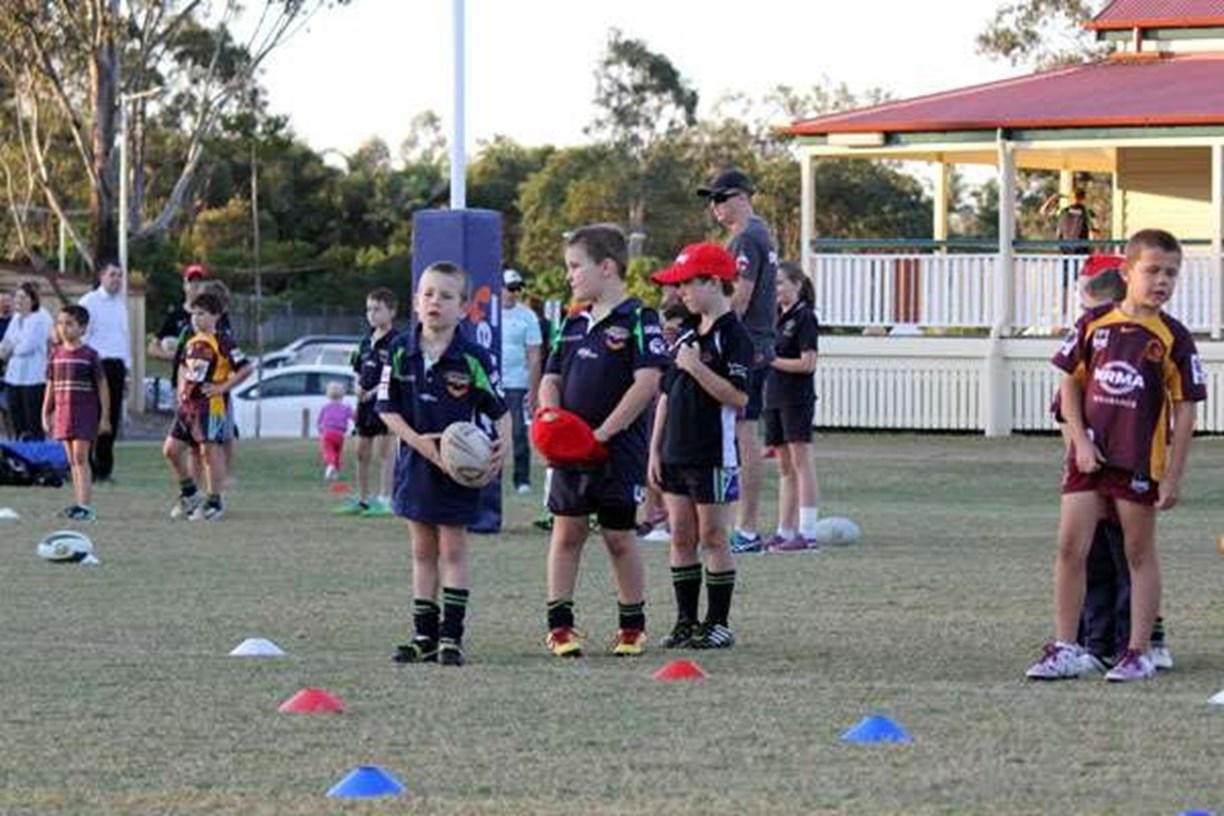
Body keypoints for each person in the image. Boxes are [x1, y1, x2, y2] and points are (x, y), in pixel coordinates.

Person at [1026, 229, 1207, 683]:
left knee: (1137, 553)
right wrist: (1081, 443)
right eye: (1152, 270)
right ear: (1127, 272)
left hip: (1138, 463)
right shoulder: (1093, 324)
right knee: (1071, 548)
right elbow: (1067, 381)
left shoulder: (1174, 338)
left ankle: (1139, 651)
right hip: (1088, 461)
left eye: (1171, 273)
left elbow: (1186, 411)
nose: (1161, 280)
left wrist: (1173, 476)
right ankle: (1067, 645)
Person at [539, 224, 668, 658]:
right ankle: (560, 627)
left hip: (618, 449)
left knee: (619, 536)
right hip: (570, 449)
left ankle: (632, 627)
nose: (571, 275)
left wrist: (604, 433)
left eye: (577, 266)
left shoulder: (639, 319)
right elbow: (551, 377)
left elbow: (647, 383)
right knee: (567, 530)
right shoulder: (571, 322)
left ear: (607, 267)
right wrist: (550, 416)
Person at [377, 261, 510, 667]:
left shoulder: (474, 358)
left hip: (459, 471)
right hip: (416, 467)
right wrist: (421, 444)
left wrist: (502, 445)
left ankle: (451, 637)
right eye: (428, 293)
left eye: (446, 296)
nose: (436, 302)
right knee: (422, 551)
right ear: (417, 302)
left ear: (464, 307)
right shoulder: (400, 350)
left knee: (452, 550)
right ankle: (424, 636)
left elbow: (500, 410)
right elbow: (386, 409)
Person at [1051, 257, 1173, 672]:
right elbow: (1068, 411)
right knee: (1093, 559)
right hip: (1089, 473)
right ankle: (1095, 643)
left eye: (1095, 308)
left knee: (1131, 558)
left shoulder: (1155, 340)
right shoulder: (1087, 348)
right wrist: (1081, 452)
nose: (1090, 317)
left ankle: (1145, 642)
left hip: (1132, 470)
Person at [648, 243, 753, 649]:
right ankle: (685, 621)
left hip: (712, 452)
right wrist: (654, 449)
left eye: (687, 284)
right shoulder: (687, 332)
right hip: (675, 451)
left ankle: (718, 622)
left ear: (713, 282)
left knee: (712, 535)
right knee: (680, 535)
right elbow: (666, 395)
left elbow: (739, 397)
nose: (681, 293)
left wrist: (697, 367)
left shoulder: (734, 336)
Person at [697, 169, 779, 554]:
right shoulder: (759, 232)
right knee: (738, 433)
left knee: (744, 435)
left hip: (748, 345)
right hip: (757, 343)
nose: (715, 206)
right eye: (711, 200)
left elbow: (740, 298)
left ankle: (746, 528)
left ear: (742, 195)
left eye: (720, 197)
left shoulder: (747, 236)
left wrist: (716, 337)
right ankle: (738, 525)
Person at [163, 291, 252, 521]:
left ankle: (214, 502)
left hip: (210, 406)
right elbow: (183, 366)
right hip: (187, 406)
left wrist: (223, 387)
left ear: (216, 316)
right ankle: (190, 494)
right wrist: (182, 389)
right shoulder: (192, 341)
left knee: (209, 453)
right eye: (193, 314)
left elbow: (245, 368)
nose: (196, 318)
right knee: (171, 450)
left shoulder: (223, 340)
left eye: (201, 314)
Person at [762, 262, 822, 552]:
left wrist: (771, 360)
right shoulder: (774, 317)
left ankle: (807, 532)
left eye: (782, 283)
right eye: (774, 284)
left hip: (795, 398)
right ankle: (784, 530)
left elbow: (807, 363)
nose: (777, 289)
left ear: (797, 284)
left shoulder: (805, 318)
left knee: (801, 464)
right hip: (772, 397)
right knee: (784, 468)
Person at [41, 305, 111, 520]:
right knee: (72, 460)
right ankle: (78, 503)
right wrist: (46, 412)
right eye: (60, 323)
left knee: (81, 458)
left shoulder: (90, 355)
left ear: (82, 328)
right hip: (63, 413)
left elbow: (102, 386)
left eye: (69, 324)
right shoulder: (56, 355)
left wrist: (105, 417)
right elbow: (50, 385)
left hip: (84, 413)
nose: (63, 328)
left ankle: (86, 506)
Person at [334, 288, 399, 517]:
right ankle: (363, 499)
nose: (372, 314)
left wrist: (373, 392)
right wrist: (358, 386)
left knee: (386, 451)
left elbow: (396, 377)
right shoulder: (365, 342)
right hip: (364, 406)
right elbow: (356, 369)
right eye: (369, 309)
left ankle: (386, 499)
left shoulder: (397, 342)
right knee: (361, 452)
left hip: (386, 404)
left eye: (377, 309)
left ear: (391, 312)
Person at [79, 261, 130, 482]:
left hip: (116, 367)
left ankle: (104, 468)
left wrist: (127, 371)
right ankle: (87, 465)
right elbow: (82, 335)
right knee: (92, 416)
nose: (116, 279)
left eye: (119, 275)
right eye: (112, 275)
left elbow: (124, 338)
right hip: (96, 364)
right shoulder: (89, 302)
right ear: (101, 276)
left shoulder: (121, 304)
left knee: (111, 417)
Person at [500, 269, 542, 493]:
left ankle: (522, 479)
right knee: (489, 434)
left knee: (518, 433)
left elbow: (535, 356)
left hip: (517, 384)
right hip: (493, 383)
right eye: (510, 287)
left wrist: (533, 392)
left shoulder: (528, 316)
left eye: (517, 288)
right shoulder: (487, 313)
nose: (514, 293)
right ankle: (489, 478)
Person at [0, 282, 53, 441]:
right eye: (17, 297)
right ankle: (19, 462)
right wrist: (8, 348)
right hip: (13, 379)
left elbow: (26, 347)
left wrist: (10, 349)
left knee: (33, 425)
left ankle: (36, 463)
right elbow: (6, 342)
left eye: (22, 297)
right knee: (18, 426)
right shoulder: (16, 318)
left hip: (34, 380)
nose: (17, 300)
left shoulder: (42, 318)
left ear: (33, 299)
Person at [317, 380, 355, 481]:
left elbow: (319, 421)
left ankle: (330, 466)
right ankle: (335, 473)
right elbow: (354, 417)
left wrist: (321, 432)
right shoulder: (346, 407)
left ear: (328, 394)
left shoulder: (325, 407)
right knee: (338, 453)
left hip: (327, 434)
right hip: (340, 435)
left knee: (329, 452)